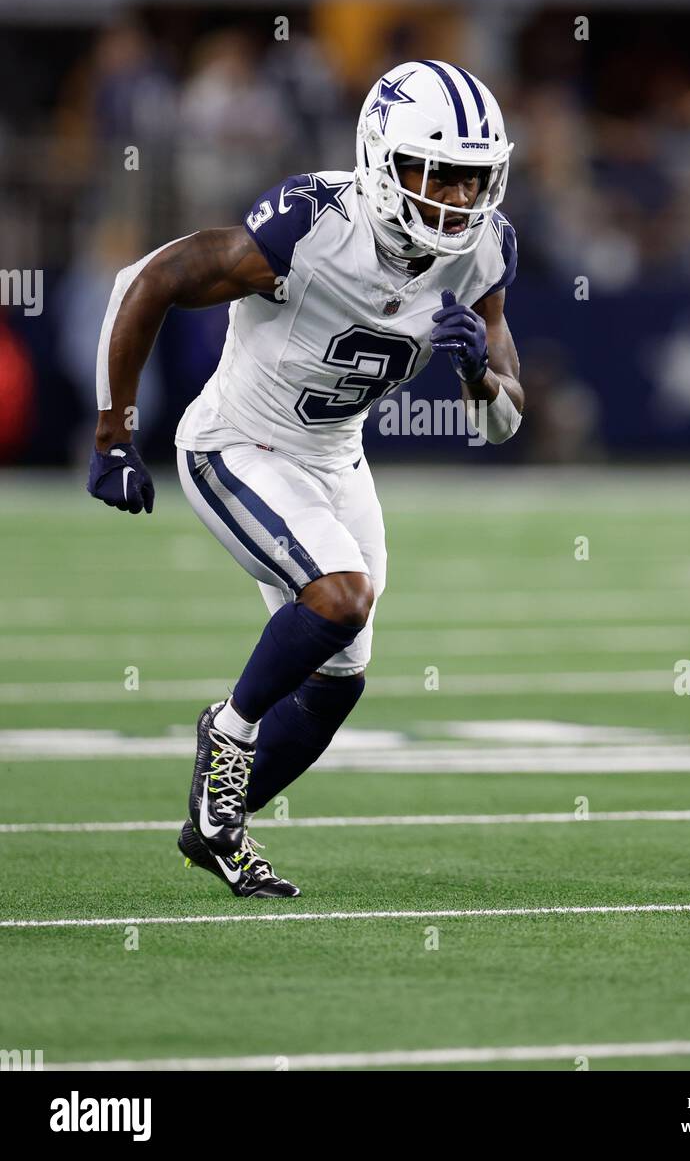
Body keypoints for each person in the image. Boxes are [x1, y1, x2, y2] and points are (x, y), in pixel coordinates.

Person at [87, 60, 524, 897]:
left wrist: (478, 379)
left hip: (336, 457)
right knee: (340, 595)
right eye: (439, 176)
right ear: (382, 162)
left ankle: (216, 828)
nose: (458, 202)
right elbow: (146, 280)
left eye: (475, 181)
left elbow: (504, 419)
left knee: (341, 678)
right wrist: (113, 435)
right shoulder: (312, 226)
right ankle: (231, 728)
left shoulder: (482, 253)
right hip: (237, 444)